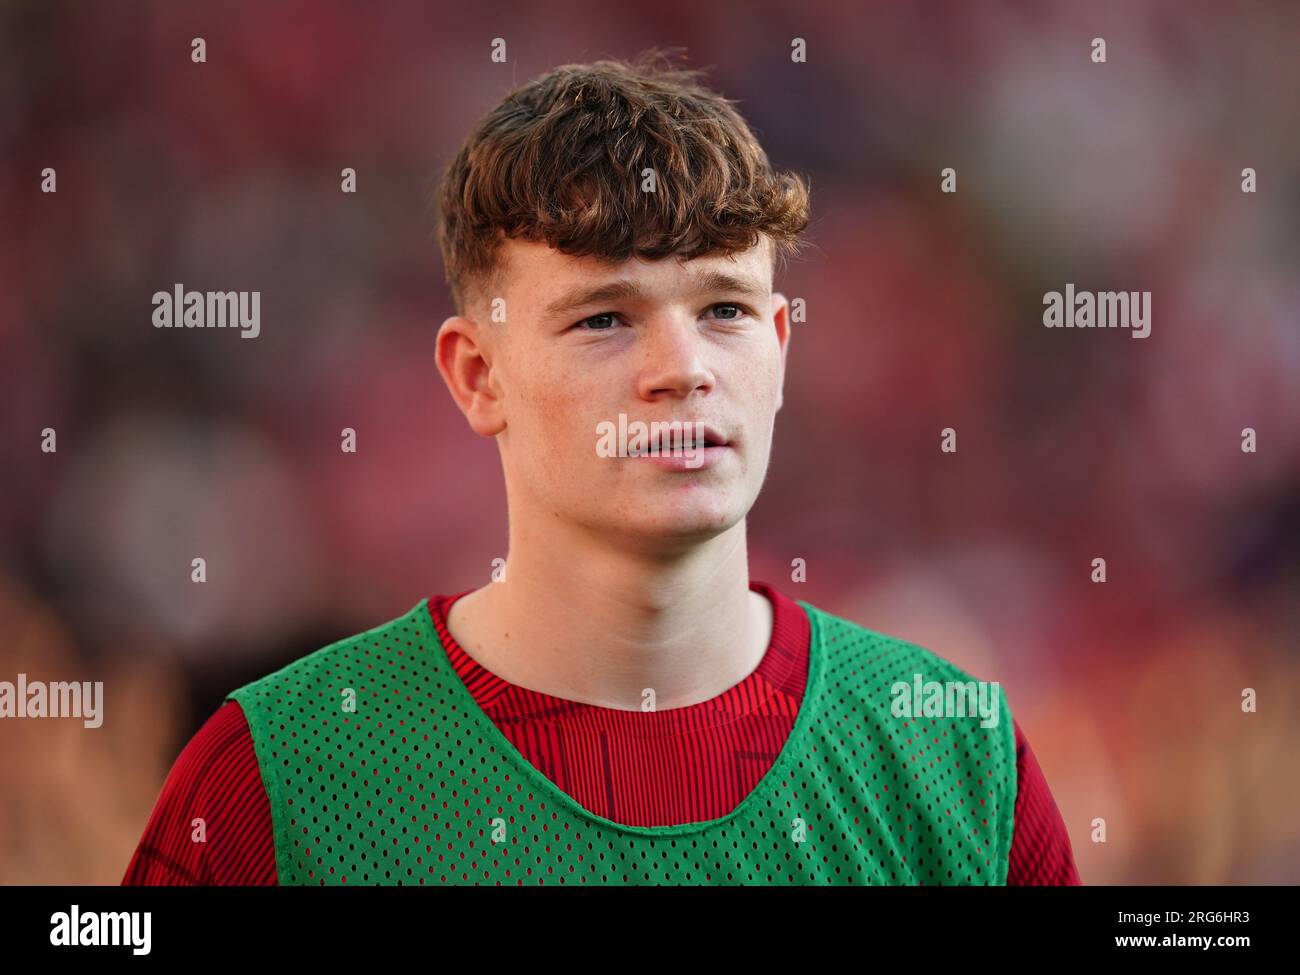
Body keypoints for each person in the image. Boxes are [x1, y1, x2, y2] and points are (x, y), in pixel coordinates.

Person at [123, 49, 1079, 886]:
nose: (683, 371)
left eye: (726, 310)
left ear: (781, 346)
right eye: (604, 319)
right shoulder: (281, 779)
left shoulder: (955, 761)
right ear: (477, 374)